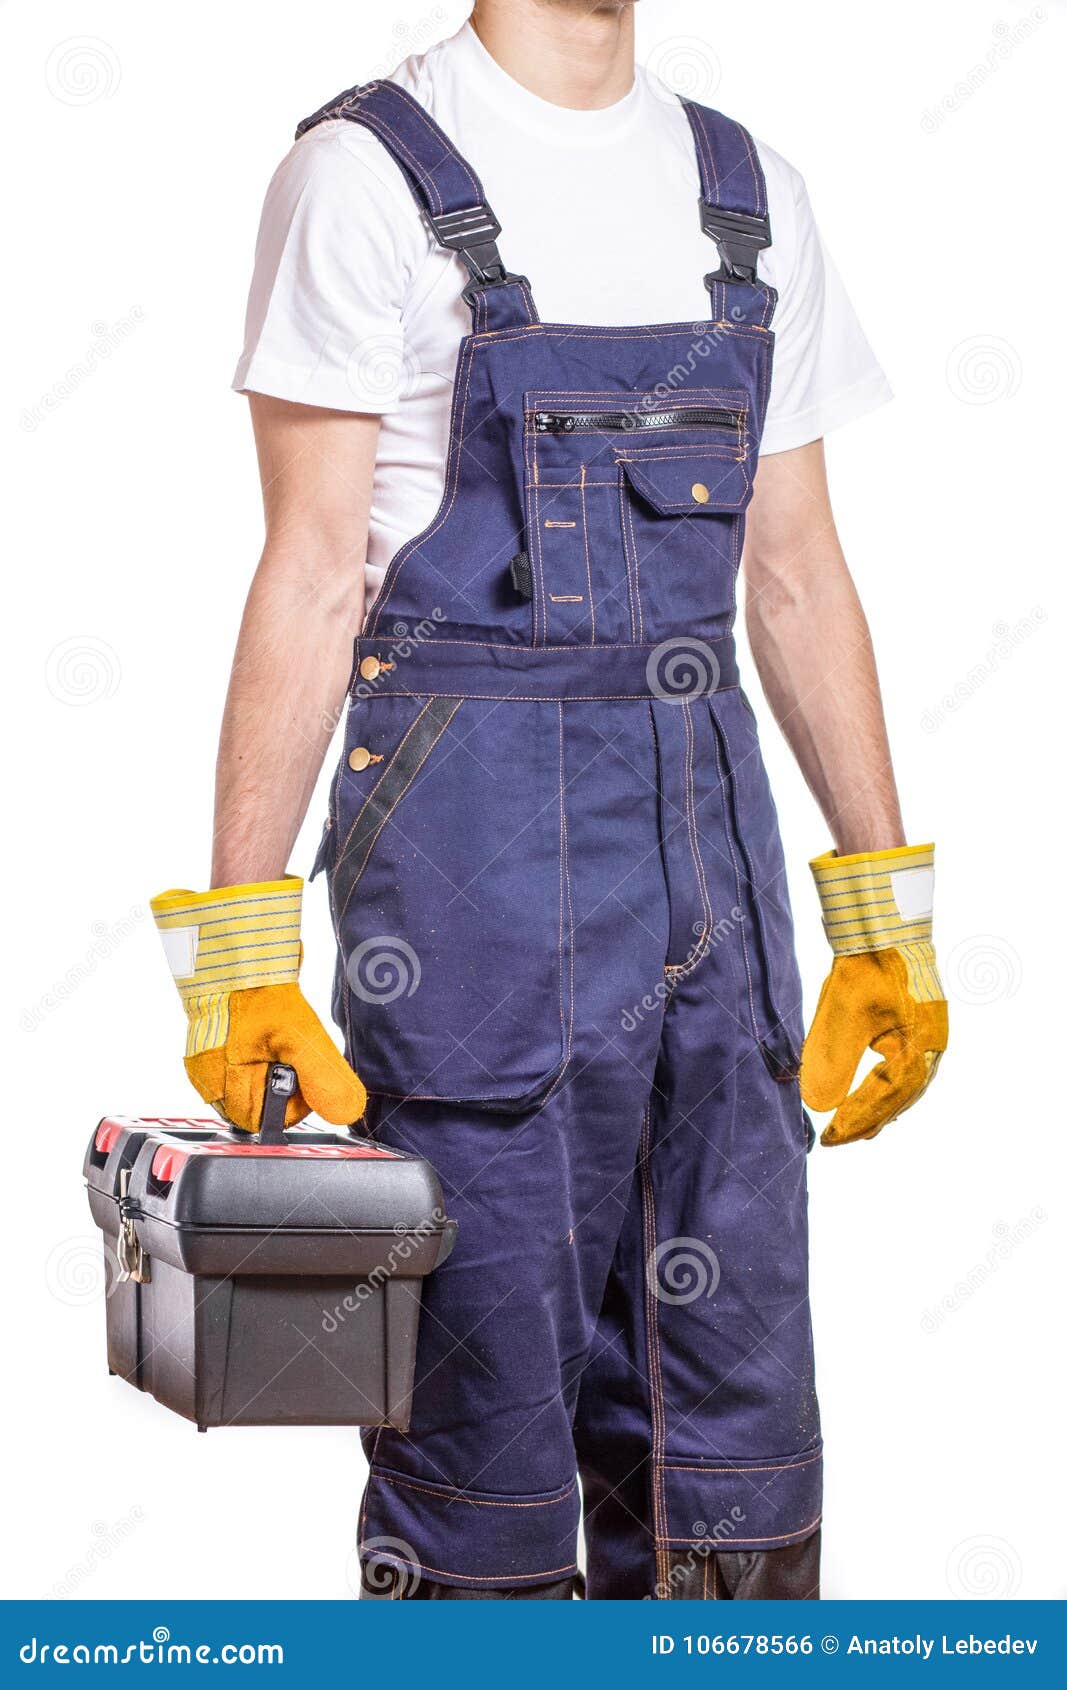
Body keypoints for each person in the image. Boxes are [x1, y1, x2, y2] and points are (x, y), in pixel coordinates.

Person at [150, 0, 948, 1600]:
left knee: (737, 1453)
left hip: (711, 905)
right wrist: (241, 943)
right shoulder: (364, 173)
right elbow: (310, 577)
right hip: (475, 908)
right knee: (484, 1471)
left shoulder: (752, 191)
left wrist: (885, 913)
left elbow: (791, 575)